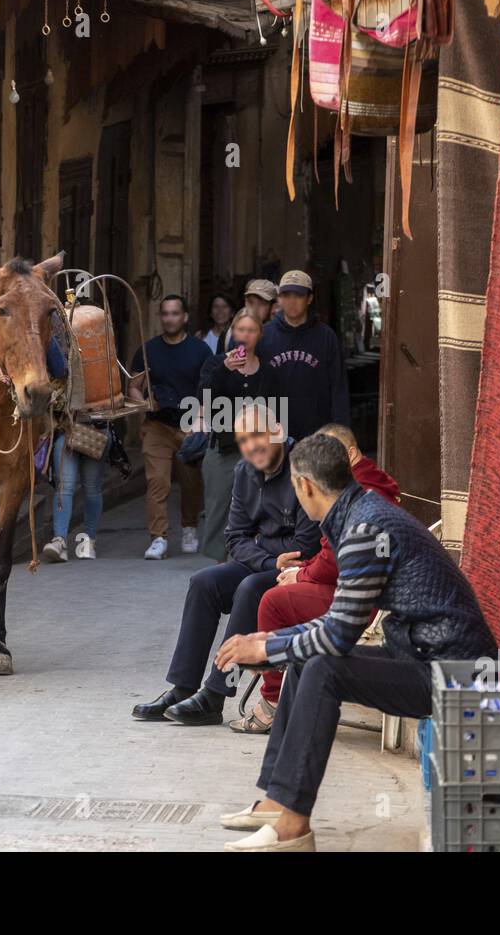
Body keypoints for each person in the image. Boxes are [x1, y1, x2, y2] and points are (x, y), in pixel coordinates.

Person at [214, 433, 497, 851]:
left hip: (451, 675)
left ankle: (293, 825)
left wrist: (265, 647)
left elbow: (338, 633)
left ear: (305, 486)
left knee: (324, 667)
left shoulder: (365, 527)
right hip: (422, 657)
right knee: (305, 663)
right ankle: (277, 802)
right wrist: (273, 640)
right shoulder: (360, 513)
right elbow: (336, 622)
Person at [131, 404, 319, 727]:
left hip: (298, 573)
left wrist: (260, 547)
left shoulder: (303, 469)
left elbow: (304, 546)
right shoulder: (244, 471)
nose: (252, 446)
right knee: (204, 582)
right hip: (268, 563)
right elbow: (234, 537)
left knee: (249, 589)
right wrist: (267, 555)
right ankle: (183, 687)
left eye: (258, 435)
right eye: (244, 440)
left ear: (277, 432)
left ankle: (215, 694)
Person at [228, 423, 397, 733]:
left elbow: (334, 560)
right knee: (243, 585)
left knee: (273, 602)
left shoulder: (361, 492)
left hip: (365, 601)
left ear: (349, 453)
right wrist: (302, 571)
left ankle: (274, 702)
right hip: (358, 585)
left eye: (329, 454)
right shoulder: (361, 481)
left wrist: (302, 575)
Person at [195, 308, 282, 562]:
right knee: (218, 507)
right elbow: (204, 397)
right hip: (222, 449)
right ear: (233, 332)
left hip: (259, 451)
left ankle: (243, 562)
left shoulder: (268, 371)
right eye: (241, 329)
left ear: (259, 334)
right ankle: (218, 564)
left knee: (256, 510)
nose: (245, 334)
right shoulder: (215, 363)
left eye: (251, 330)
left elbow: (276, 411)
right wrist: (224, 368)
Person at [130, 294, 210, 559]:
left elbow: (210, 388)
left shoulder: (200, 350)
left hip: (190, 424)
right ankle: (158, 538)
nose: (169, 318)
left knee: (191, 483)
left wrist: (203, 420)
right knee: (157, 483)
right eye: (165, 313)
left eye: (175, 313)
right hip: (157, 426)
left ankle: (189, 527)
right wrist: (144, 404)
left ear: (185, 317)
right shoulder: (148, 350)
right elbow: (133, 387)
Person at [258, 270, 350, 440]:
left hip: (316, 434)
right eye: (286, 295)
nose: (292, 302)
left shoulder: (326, 337)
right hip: (273, 433)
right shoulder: (263, 336)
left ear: (309, 299)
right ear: (279, 298)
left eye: (298, 296)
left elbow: (339, 388)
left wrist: (342, 433)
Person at [41, 422, 110, 562]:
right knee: (64, 486)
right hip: (66, 432)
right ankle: (59, 541)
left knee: (91, 487)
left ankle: (89, 540)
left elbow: (120, 401)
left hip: (97, 431)